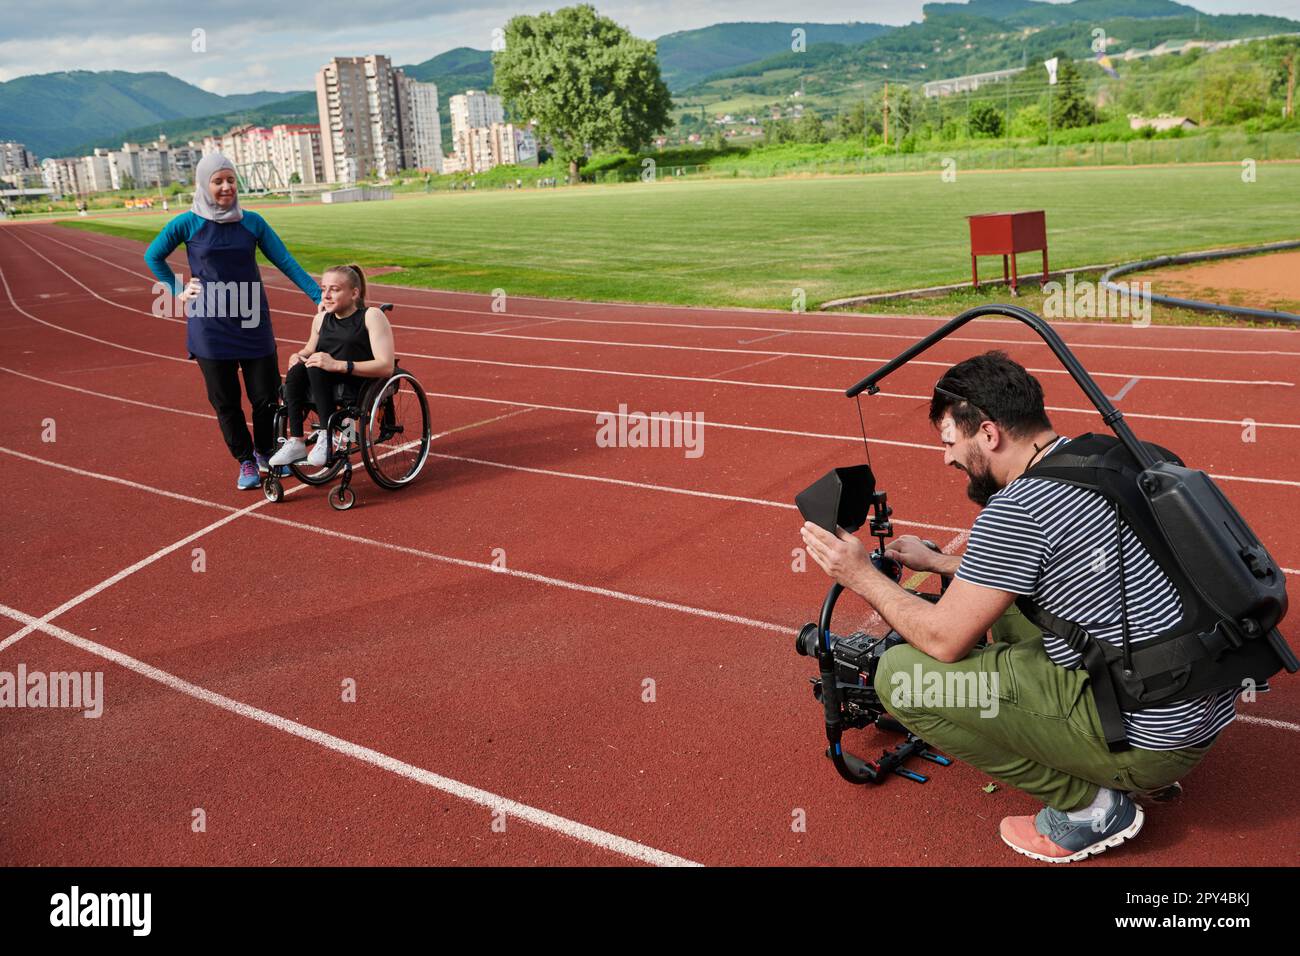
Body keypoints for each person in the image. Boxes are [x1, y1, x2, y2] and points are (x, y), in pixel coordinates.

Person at [800, 351, 1231, 863]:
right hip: (1195, 701)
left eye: (948, 442)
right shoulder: (1119, 455)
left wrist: (861, 576)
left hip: (1148, 739)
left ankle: (1089, 805)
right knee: (1002, 605)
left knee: (901, 676)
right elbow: (1068, 564)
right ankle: (1116, 764)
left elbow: (943, 638)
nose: (946, 459)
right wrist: (940, 563)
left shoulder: (1019, 508)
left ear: (988, 433)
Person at [143, 152, 321, 489]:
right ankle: (246, 461)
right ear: (204, 184)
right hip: (209, 326)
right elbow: (153, 256)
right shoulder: (187, 223)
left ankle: (267, 451)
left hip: (253, 320)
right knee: (225, 401)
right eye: (218, 181)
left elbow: (285, 260)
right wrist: (178, 290)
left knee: (265, 396)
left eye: (230, 180)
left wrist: (317, 297)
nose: (226, 187)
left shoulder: (252, 222)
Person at [269, 264, 395, 468]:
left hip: (359, 382)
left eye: (334, 289)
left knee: (316, 365)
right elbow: (309, 349)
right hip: (324, 381)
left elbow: (386, 367)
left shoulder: (371, 316)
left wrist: (338, 365)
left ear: (354, 293)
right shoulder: (320, 319)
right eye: (323, 289)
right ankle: (297, 441)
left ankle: (327, 436)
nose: (325, 295)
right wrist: (298, 356)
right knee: (300, 368)